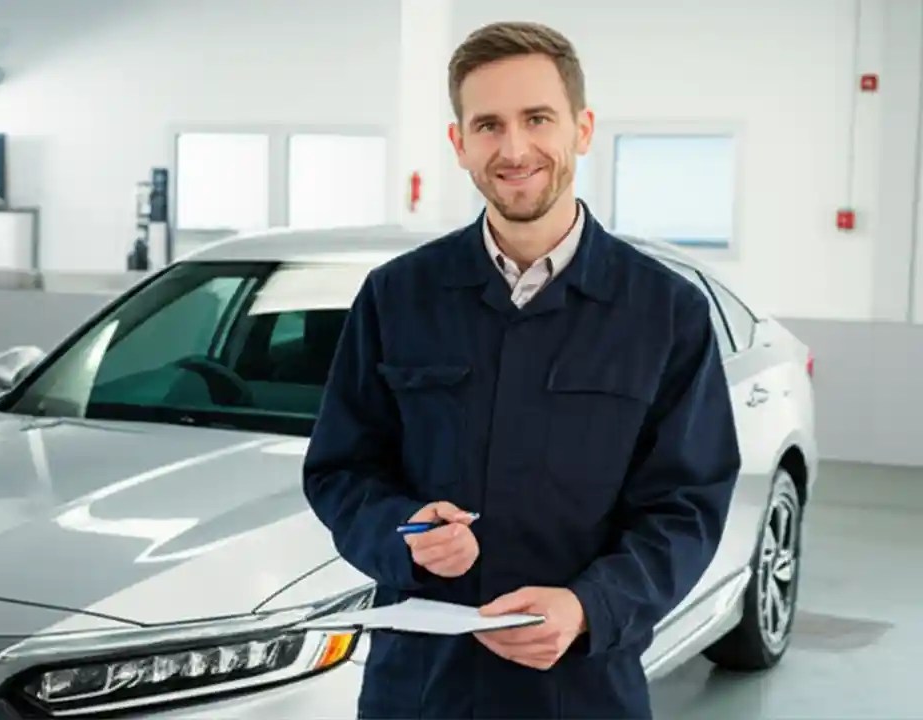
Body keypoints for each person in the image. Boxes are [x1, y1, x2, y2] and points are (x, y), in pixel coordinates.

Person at [301, 20, 741, 720]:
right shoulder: (398, 296)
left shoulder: (664, 312)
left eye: (538, 118)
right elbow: (340, 470)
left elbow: (686, 506)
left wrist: (589, 606)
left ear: (582, 128)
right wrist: (404, 532)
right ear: (459, 143)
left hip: (581, 688)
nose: (514, 149)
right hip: (422, 688)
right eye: (488, 125)